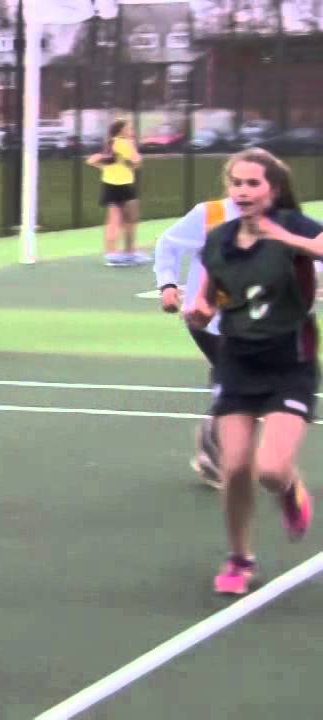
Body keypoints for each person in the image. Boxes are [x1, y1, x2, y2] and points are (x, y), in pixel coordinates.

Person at [184, 148, 323, 596]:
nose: (243, 191)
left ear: (272, 190)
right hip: (238, 360)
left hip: (290, 361)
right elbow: (206, 297)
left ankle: (289, 488)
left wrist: (283, 238)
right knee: (236, 466)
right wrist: (198, 311)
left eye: (253, 184)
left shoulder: (296, 227)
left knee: (269, 469)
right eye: (236, 183)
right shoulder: (219, 239)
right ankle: (240, 558)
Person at [154, 196, 242, 488]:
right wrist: (167, 283)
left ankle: (218, 436)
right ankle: (213, 448)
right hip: (207, 317)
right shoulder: (211, 213)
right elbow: (168, 243)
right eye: (239, 181)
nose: (246, 190)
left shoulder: (281, 218)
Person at [86, 119, 147, 267]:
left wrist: (105, 168)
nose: (131, 130)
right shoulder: (123, 143)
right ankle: (128, 252)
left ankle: (113, 254)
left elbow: (94, 161)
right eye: (129, 128)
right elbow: (137, 161)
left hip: (110, 185)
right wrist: (132, 144)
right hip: (123, 186)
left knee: (114, 220)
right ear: (121, 130)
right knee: (130, 220)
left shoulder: (112, 143)